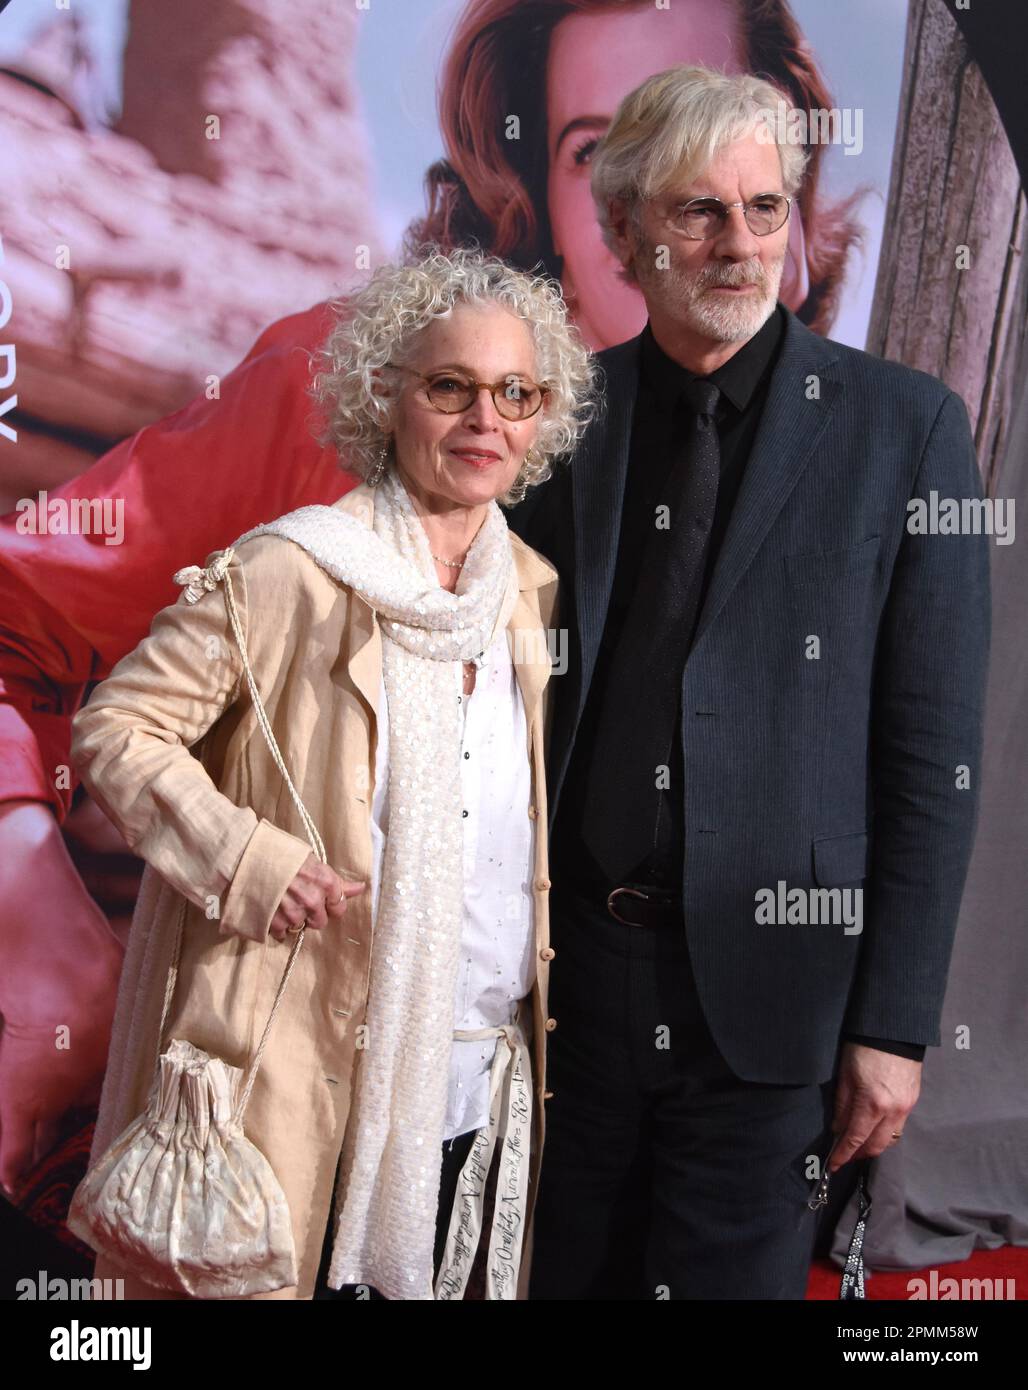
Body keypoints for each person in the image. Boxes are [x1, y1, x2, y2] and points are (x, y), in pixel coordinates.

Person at [0, 0, 862, 1200]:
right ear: (548, 195)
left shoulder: (862, 456)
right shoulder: (338, 395)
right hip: (298, 1180)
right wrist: (37, 930)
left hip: (683, 1177)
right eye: (597, 147)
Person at [504, 66, 991, 1299]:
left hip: (777, 997)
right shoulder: (555, 423)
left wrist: (892, 1024)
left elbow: (930, 755)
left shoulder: (905, 430)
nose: (739, 246)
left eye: (764, 209)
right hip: (563, 983)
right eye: (697, 212)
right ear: (621, 233)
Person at [66, 247, 598, 1300]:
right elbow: (116, 726)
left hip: (471, 1082)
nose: (482, 419)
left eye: (514, 393)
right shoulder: (288, 569)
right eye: (449, 387)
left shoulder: (526, 589)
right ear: (387, 394)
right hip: (296, 1060)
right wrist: (244, 858)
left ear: (542, 417)